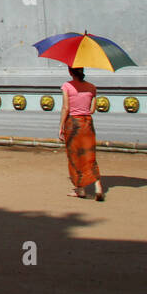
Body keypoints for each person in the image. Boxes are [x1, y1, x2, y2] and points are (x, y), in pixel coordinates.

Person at [59, 67, 104, 201]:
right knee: (90, 155)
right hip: (87, 123)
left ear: (70, 72)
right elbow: (92, 109)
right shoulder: (92, 87)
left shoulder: (67, 86)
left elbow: (66, 108)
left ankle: (81, 189)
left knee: (74, 156)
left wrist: (61, 126)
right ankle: (98, 186)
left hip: (73, 123)